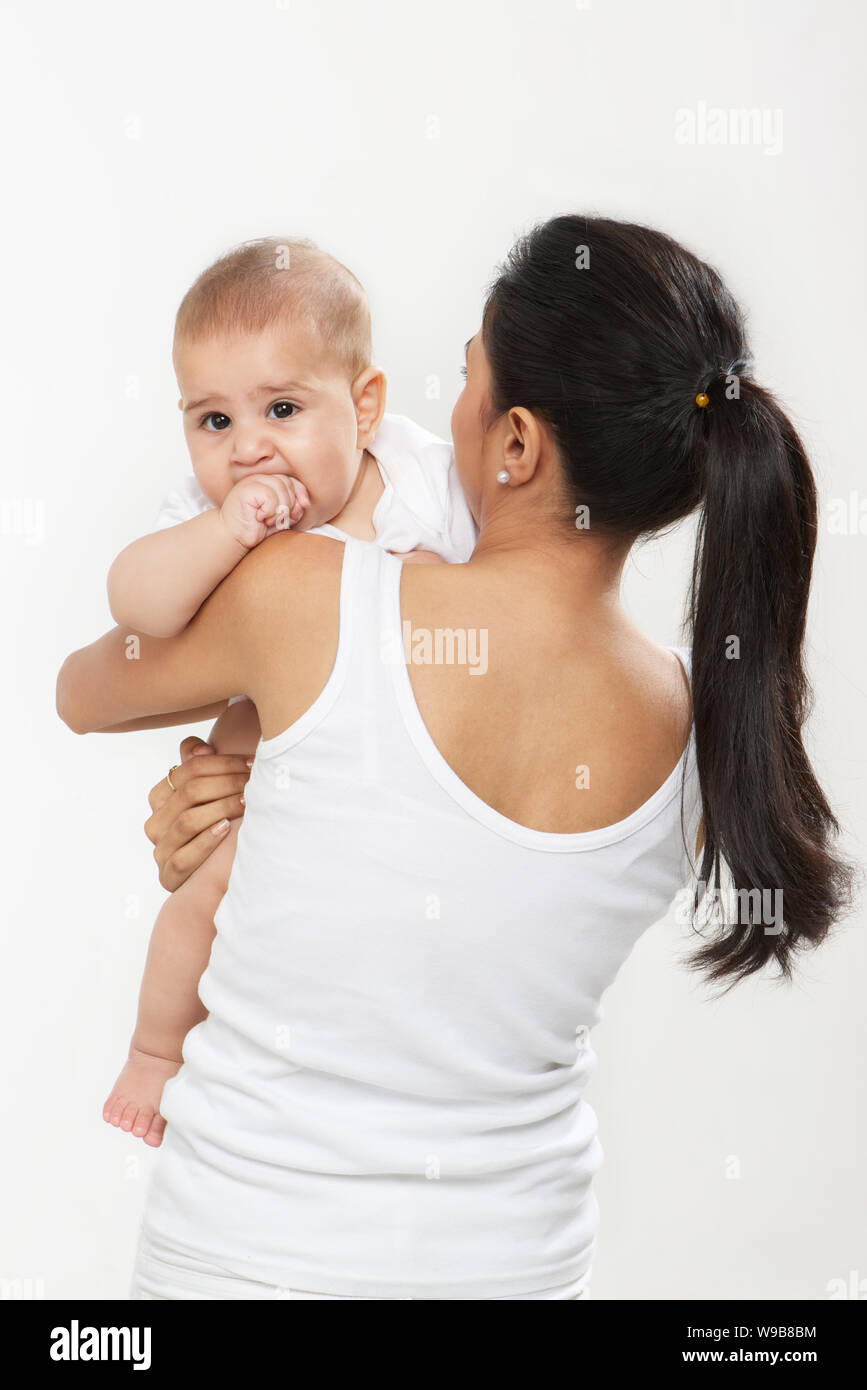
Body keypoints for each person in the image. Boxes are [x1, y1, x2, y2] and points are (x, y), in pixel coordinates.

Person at [57, 214, 856, 1300]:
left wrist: (227, 792)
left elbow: (86, 691)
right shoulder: (710, 724)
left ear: (518, 443)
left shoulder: (310, 593)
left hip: (249, 1254)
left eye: (472, 384)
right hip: (517, 1268)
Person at [98, 236, 477, 1146]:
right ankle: (154, 1053)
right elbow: (135, 604)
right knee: (206, 895)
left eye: (281, 408)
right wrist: (226, 536)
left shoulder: (422, 482)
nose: (248, 449)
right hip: (262, 777)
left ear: (366, 407)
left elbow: (496, 593)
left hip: (400, 773)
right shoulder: (206, 514)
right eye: (213, 421)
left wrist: (432, 582)